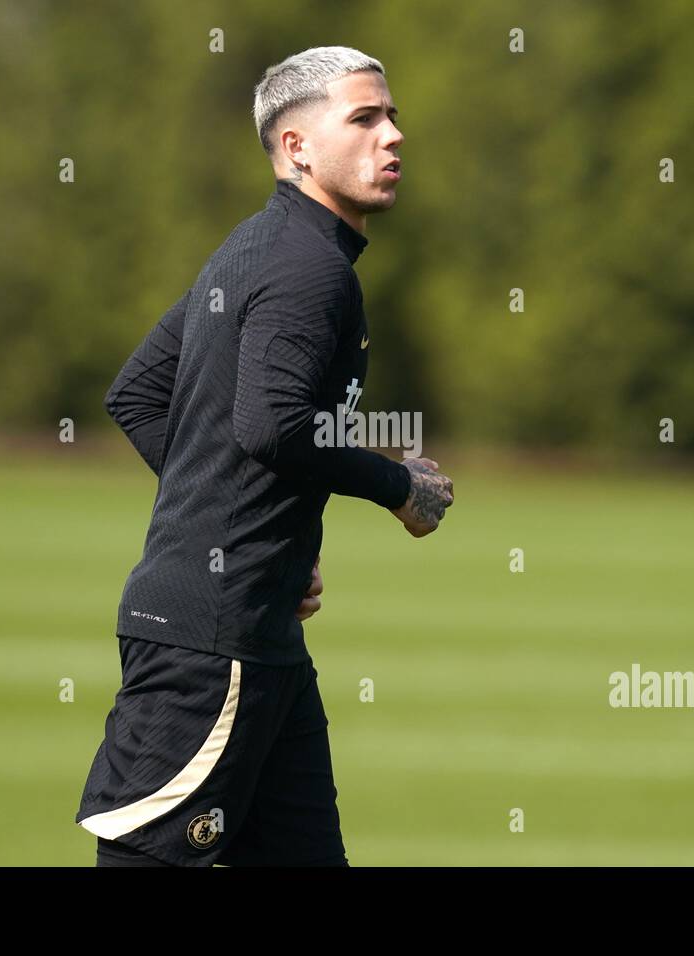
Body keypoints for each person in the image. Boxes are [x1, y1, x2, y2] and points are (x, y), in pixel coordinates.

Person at [75, 45, 454, 866]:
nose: (392, 136)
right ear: (297, 149)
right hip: (214, 647)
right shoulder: (308, 269)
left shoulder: (255, 246)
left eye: (391, 116)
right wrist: (397, 485)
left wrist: (246, 532)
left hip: (258, 629)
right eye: (364, 118)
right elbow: (273, 424)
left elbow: (138, 394)